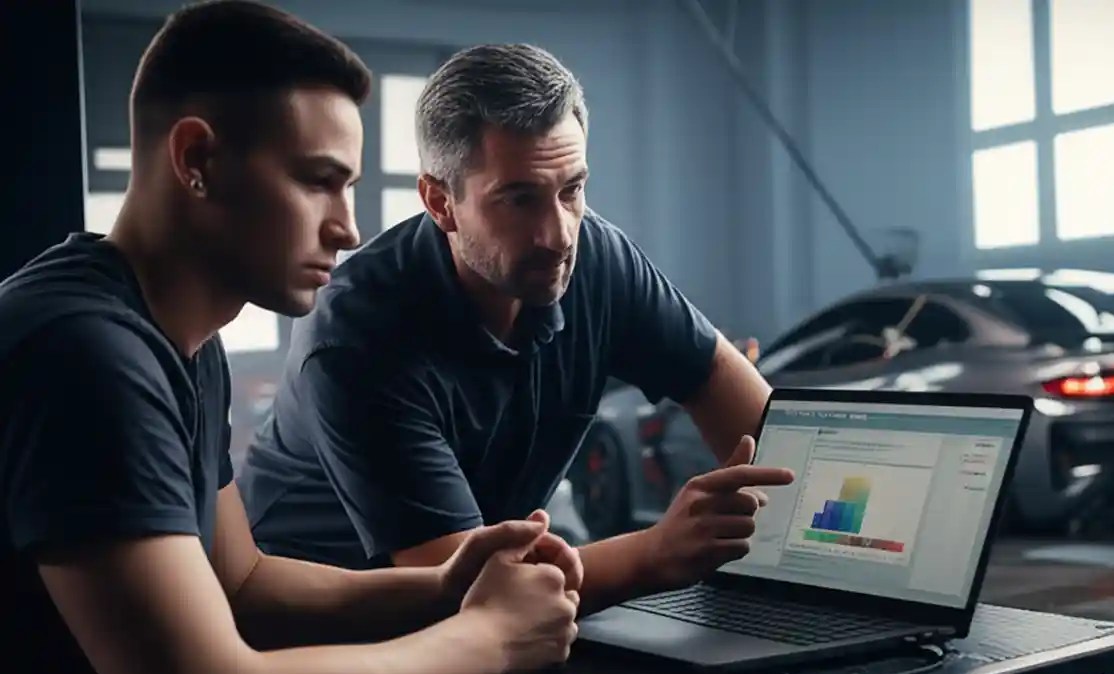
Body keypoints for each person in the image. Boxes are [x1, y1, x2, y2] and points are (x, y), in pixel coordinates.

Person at [0, 4, 582, 674]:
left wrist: (444, 588)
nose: (348, 228)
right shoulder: (86, 352)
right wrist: (487, 638)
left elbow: (241, 583)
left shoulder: (178, 338)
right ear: (196, 161)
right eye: (318, 181)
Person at [237, 42, 794, 613]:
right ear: (440, 201)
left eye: (572, 190)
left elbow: (725, 384)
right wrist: (659, 550)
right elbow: (469, 588)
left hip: (484, 605)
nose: (558, 236)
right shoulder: (355, 337)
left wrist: (812, 556)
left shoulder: (594, 256)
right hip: (326, 625)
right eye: (519, 200)